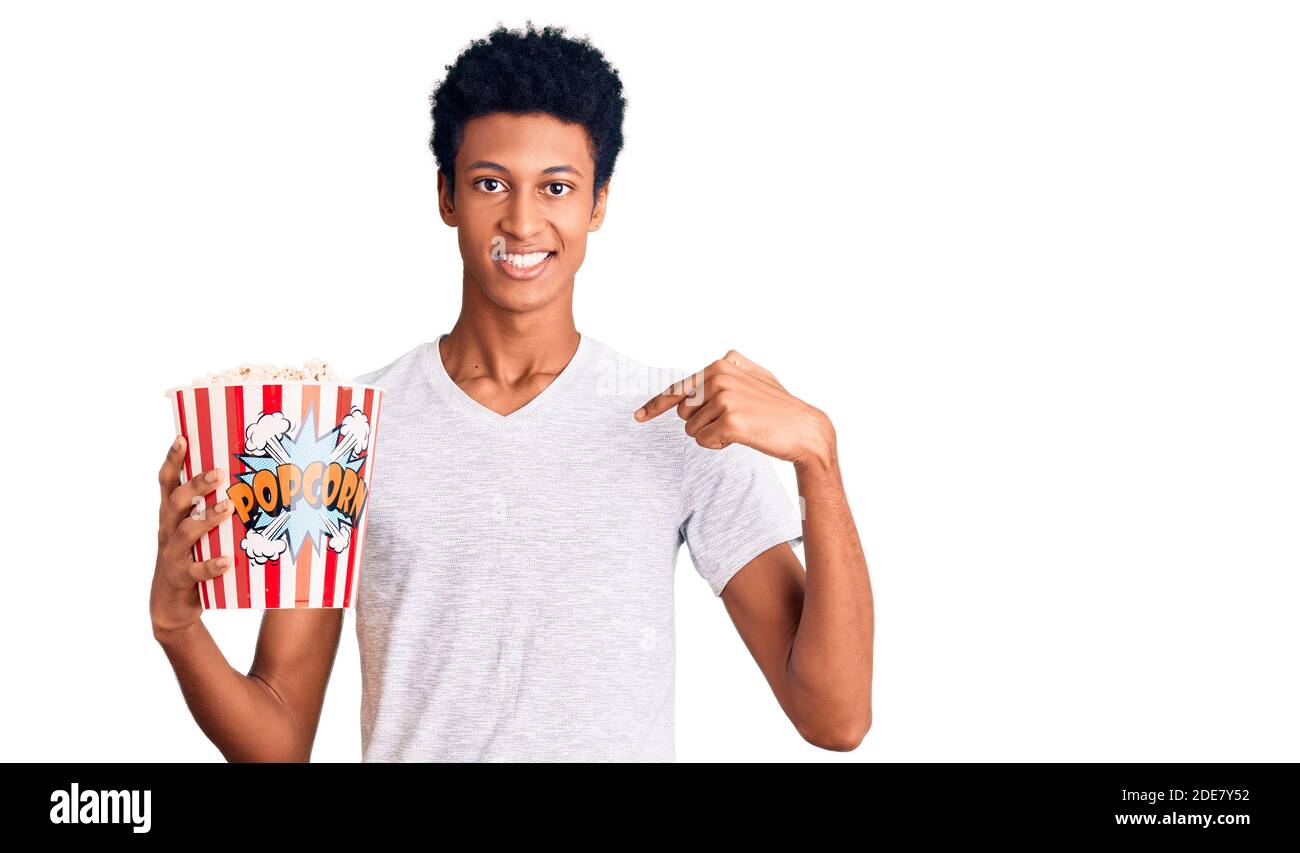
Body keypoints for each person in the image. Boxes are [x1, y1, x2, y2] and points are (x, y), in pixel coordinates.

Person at [151, 21, 873, 762]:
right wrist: (179, 629)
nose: (523, 221)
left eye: (556, 187)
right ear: (447, 195)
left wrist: (820, 457)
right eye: (491, 183)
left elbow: (835, 716)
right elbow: (277, 740)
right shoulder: (338, 430)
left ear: (597, 204)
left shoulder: (680, 421)